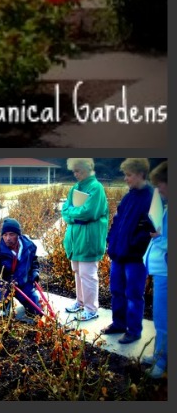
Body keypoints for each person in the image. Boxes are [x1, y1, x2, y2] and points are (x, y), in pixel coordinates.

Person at [104, 158, 154, 343]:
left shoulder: (151, 198)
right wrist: (111, 240)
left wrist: (133, 245)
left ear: (141, 174)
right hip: (118, 255)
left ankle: (133, 331)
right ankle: (118, 324)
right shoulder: (128, 196)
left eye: (129, 175)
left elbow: (151, 229)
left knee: (133, 295)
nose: (125, 179)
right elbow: (116, 221)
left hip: (135, 258)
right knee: (116, 291)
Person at [61, 157, 108, 322]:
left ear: (88, 169)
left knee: (88, 275)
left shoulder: (96, 188)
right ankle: (80, 302)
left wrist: (73, 214)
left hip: (89, 240)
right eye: (74, 171)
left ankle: (91, 309)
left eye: (78, 170)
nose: (75, 174)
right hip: (75, 240)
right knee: (78, 273)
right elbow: (65, 211)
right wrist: (75, 214)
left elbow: (88, 213)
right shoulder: (75, 188)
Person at [0, 216, 41, 321]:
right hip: (4, 285)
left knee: (37, 310)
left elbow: (34, 261)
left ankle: (28, 305)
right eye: (5, 235)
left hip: (23, 284)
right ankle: (5, 307)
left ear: (18, 235)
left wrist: (35, 272)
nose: (8, 238)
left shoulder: (28, 246)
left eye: (11, 234)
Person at [143, 161, 167, 380]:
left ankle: (161, 362)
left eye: (160, 185)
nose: (158, 190)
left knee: (163, 318)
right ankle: (160, 353)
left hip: (167, 273)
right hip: (160, 272)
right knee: (160, 317)